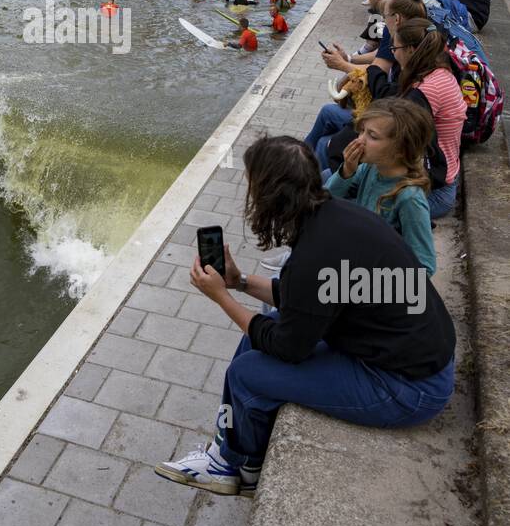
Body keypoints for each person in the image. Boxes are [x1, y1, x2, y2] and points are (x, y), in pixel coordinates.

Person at [155, 136, 455, 497]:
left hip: (409, 387)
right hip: (411, 358)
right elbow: (305, 300)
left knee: (246, 373)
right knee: (251, 340)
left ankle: (229, 465)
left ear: (270, 194)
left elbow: (289, 347)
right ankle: (239, 458)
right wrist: (240, 283)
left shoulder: (315, 251)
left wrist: (220, 298)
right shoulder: (334, 218)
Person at [325, 99, 436, 275]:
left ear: (400, 149)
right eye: (362, 131)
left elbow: (425, 266)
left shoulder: (409, 199)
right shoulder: (370, 168)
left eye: (372, 136)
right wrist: (347, 170)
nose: (360, 140)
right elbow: (326, 196)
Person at [391, 18, 467, 219]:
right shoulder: (442, 72)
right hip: (442, 178)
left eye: (394, 47)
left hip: (434, 192)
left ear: (410, 50)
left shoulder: (424, 91)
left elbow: (401, 145)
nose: (392, 52)